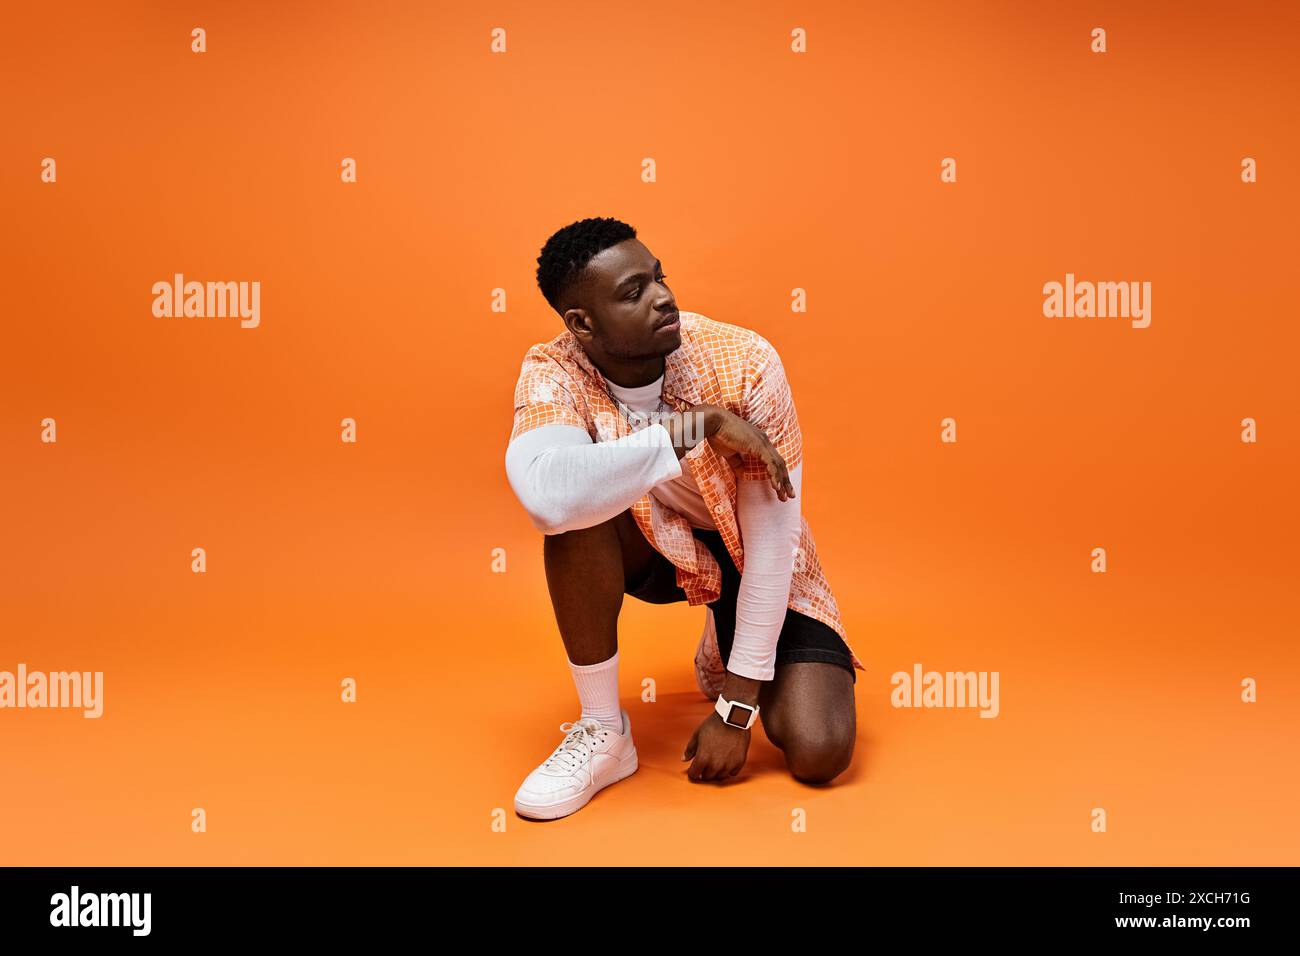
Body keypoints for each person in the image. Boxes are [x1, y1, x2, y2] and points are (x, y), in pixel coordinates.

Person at [504, 217, 864, 820]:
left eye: (658, 277)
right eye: (633, 292)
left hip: (751, 555)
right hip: (653, 546)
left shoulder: (745, 361)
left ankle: (724, 644)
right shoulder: (553, 372)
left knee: (819, 751)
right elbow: (547, 497)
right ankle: (603, 733)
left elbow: (775, 546)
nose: (663, 297)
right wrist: (694, 428)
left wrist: (737, 707)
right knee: (573, 515)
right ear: (580, 324)